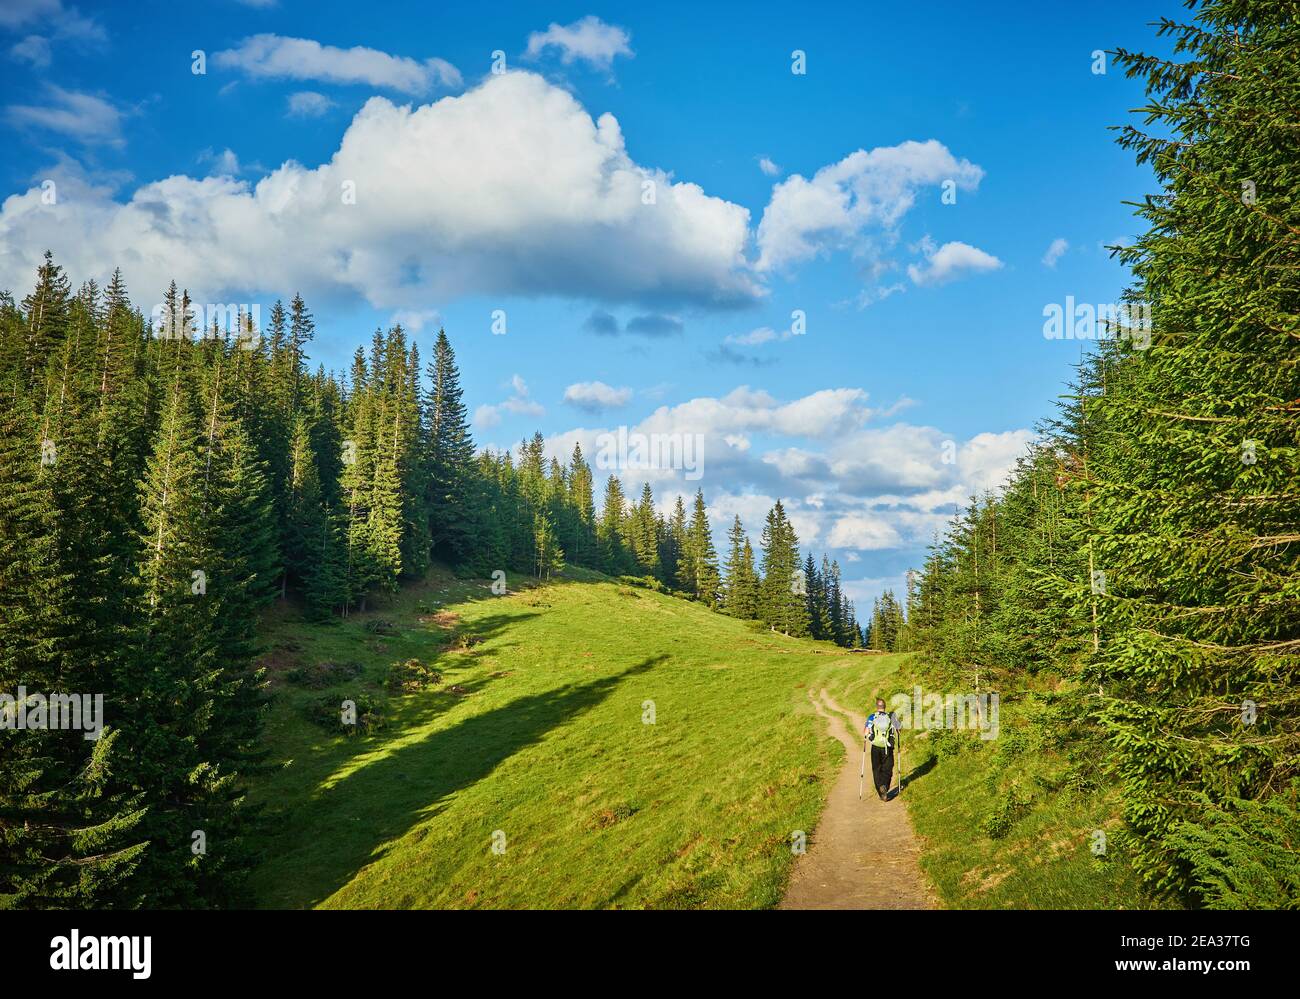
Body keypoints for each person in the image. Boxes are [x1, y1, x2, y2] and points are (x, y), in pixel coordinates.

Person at [864, 697, 898, 801]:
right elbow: (899, 729)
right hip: (888, 747)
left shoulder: (872, 717)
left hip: (875, 747)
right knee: (888, 768)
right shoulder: (890, 716)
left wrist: (867, 737)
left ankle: (881, 792)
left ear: (877, 707)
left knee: (876, 769)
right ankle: (885, 787)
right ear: (885, 706)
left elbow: (865, 732)